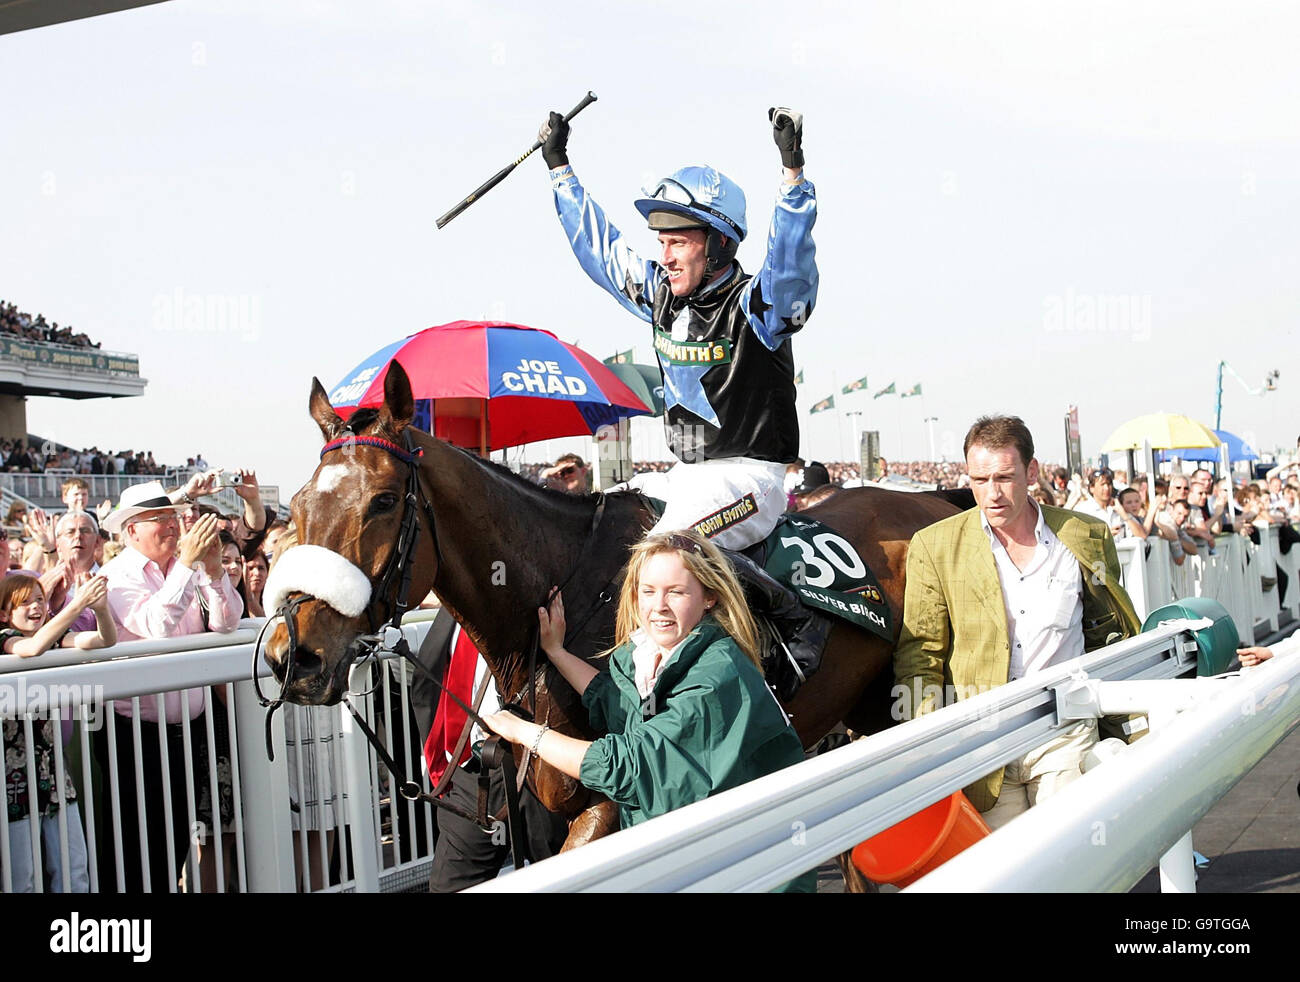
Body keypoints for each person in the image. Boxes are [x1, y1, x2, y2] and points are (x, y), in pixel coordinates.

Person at [538, 104, 827, 693]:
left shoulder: (758, 306)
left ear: (719, 245)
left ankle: (790, 622)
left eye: (679, 242)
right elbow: (601, 252)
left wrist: (793, 180)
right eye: (661, 242)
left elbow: (792, 271)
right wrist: (560, 169)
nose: (665, 255)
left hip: (753, 478)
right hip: (686, 473)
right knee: (602, 524)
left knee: (671, 549)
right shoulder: (659, 293)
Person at [483, 528, 814, 891]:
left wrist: (524, 733)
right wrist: (558, 653)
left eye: (676, 592)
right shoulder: (648, 655)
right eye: (649, 591)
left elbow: (626, 765)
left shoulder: (719, 673)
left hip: (748, 869)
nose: (659, 606)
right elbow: (614, 698)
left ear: (710, 599)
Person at [893, 416, 1141, 830]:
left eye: (1005, 478)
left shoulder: (1086, 535)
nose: (992, 493)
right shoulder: (934, 546)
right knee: (1007, 872)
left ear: (1032, 472)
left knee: (1068, 858)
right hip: (983, 747)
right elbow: (921, 653)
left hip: (1066, 731)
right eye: (980, 479)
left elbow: (1108, 631)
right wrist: (928, 745)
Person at [95, 481, 242, 892]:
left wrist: (212, 571)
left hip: (185, 732)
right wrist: (188, 567)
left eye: (172, 518)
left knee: (177, 836)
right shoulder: (116, 575)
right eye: (158, 520)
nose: (172, 527)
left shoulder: (183, 568)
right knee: (138, 845)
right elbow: (156, 626)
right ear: (131, 531)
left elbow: (227, 622)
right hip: (134, 736)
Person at [1, 572, 115, 892]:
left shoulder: (50, 635)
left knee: (74, 869)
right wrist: (77, 604)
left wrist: (101, 609)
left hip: (53, 772)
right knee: (21, 877)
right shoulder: (4, 637)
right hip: (12, 779)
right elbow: (31, 647)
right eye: (24, 603)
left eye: (39, 600)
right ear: (4, 614)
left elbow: (104, 640)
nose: (35, 607)